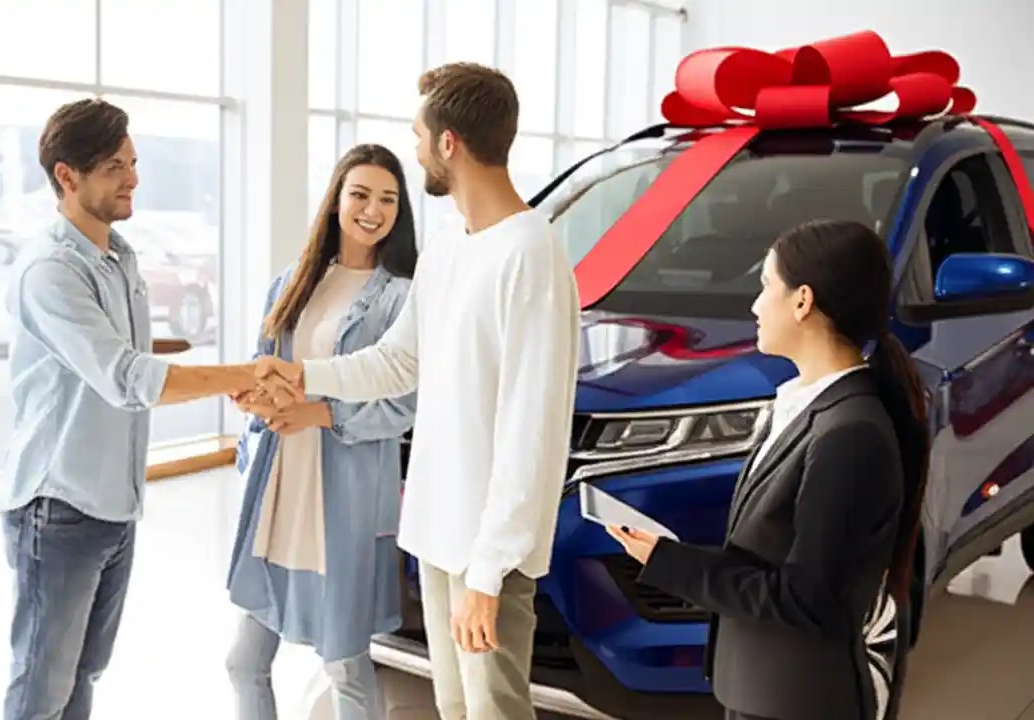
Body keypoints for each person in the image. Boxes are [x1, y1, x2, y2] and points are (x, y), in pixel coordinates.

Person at [257, 63, 580, 720]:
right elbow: (398, 362)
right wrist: (302, 375)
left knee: (496, 712)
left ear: (449, 143)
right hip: (436, 534)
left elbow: (532, 431)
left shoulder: (530, 253)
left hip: (488, 551)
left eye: (418, 135)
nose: (415, 149)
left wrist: (488, 574)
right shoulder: (448, 247)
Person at [0, 98, 266, 720]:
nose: (134, 178)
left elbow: (127, 355)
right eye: (116, 166)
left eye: (133, 162)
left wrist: (216, 374)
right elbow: (125, 376)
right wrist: (239, 376)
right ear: (68, 176)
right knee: (41, 687)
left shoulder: (120, 257)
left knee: (83, 676)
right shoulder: (49, 271)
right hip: (58, 507)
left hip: (114, 507)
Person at [607, 219, 930, 720]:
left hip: (800, 702)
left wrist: (671, 564)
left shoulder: (851, 435)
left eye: (764, 288)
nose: (755, 306)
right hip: (767, 692)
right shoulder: (807, 408)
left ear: (803, 301)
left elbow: (807, 599)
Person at [222, 143, 419, 720]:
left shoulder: (400, 298)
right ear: (336, 199)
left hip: (344, 497)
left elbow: (405, 404)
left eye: (387, 199)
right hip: (281, 488)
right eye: (360, 194)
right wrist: (254, 398)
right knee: (243, 663)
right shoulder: (294, 281)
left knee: (345, 664)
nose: (372, 210)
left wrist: (320, 413)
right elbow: (266, 364)